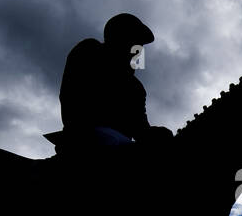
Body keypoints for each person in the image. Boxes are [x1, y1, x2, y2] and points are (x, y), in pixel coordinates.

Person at [46, 13, 171, 154]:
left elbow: (140, 128)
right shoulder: (89, 51)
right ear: (119, 37)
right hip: (83, 141)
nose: (138, 50)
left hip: (119, 148)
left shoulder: (136, 88)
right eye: (135, 42)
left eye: (140, 46)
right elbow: (73, 100)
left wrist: (154, 134)